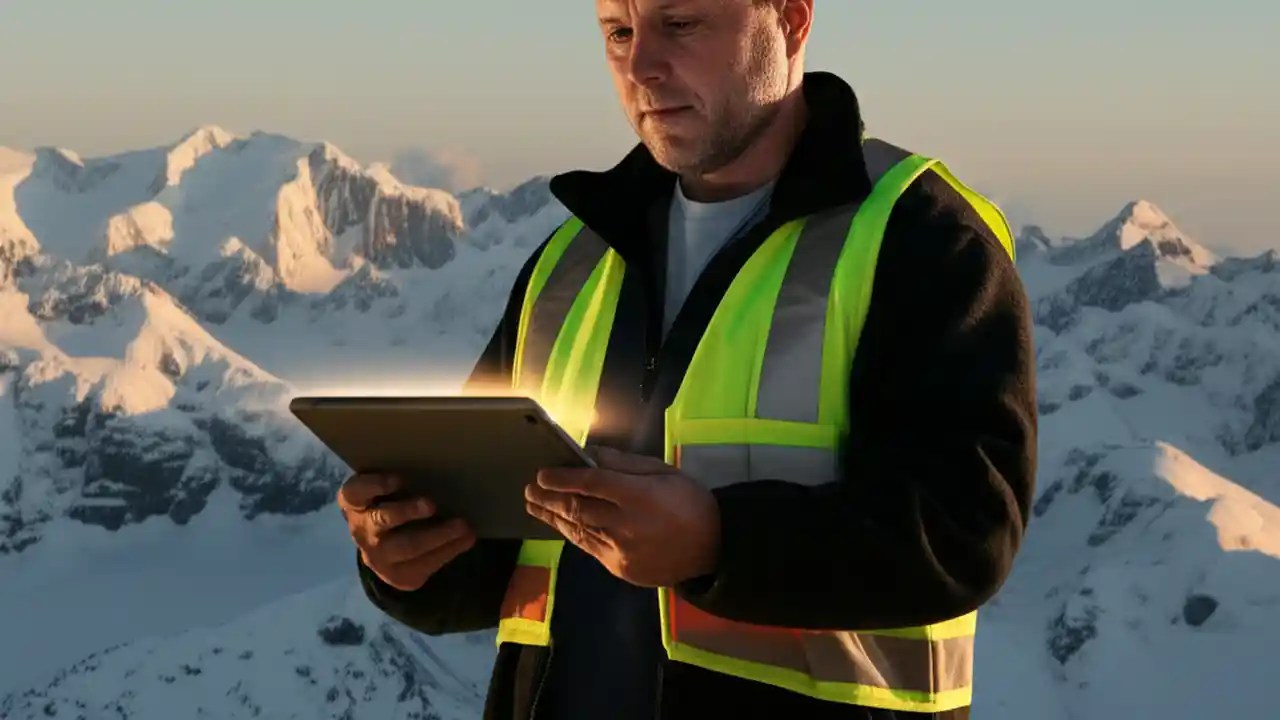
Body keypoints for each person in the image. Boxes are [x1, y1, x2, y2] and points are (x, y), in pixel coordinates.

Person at [337, 1, 1038, 718]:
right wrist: (407, 559)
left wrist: (719, 542)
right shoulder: (570, 261)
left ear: (792, 21)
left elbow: (965, 531)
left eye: (680, 23)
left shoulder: (921, 238)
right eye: (619, 32)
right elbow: (494, 561)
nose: (641, 66)